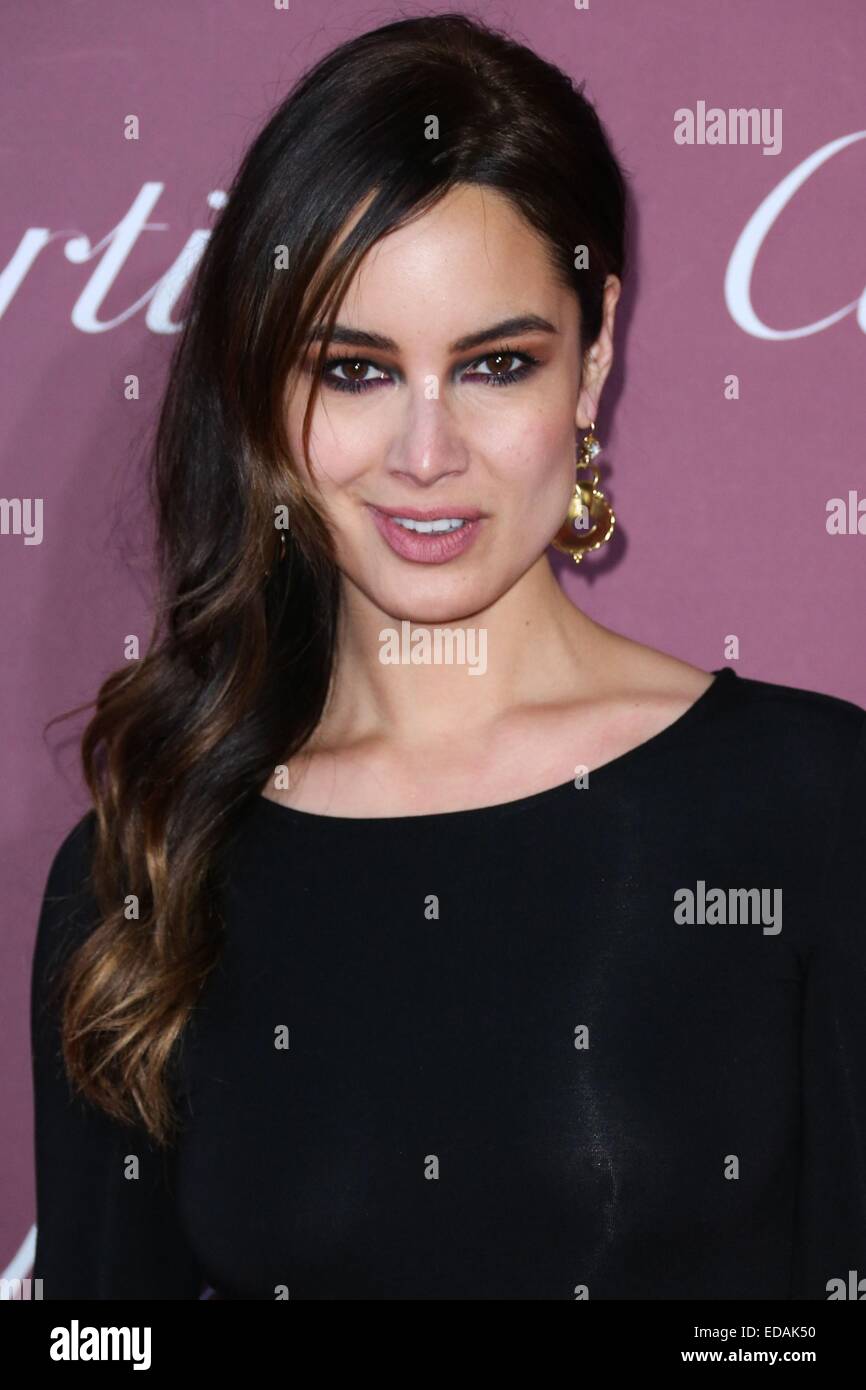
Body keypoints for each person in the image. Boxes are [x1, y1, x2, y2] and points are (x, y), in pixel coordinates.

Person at [31, 12, 866, 1300]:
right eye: (356, 371)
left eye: (495, 364)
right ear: (265, 387)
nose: (428, 455)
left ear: (591, 359)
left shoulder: (816, 805)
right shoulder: (146, 855)